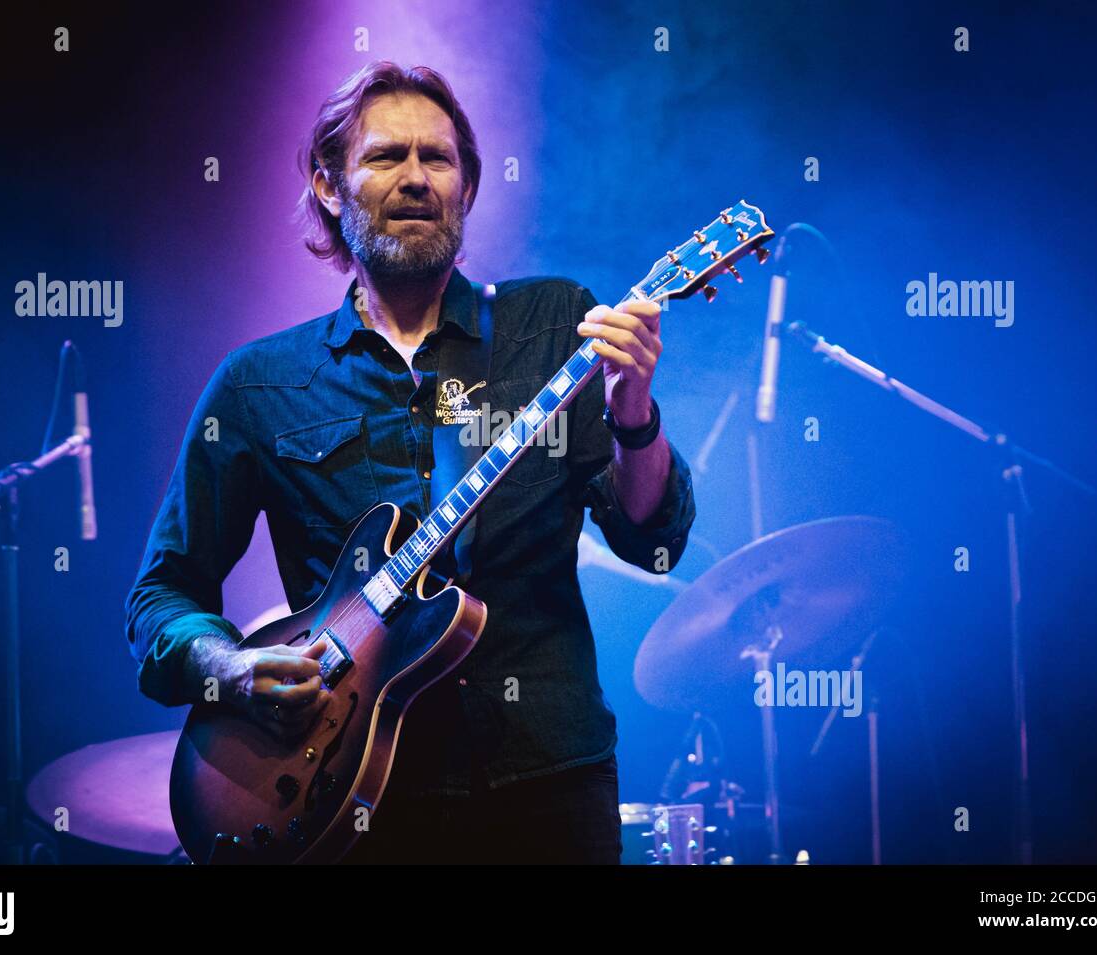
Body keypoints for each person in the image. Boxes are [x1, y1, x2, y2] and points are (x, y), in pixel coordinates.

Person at [125, 61, 695, 864]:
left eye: (439, 159)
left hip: (545, 792)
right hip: (343, 798)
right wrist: (234, 668)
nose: (417, 179)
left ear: (467, 188)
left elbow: (653, 542)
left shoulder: (554, 324)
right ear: (329, 185)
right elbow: (163, 592)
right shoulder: (260, 383)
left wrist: (633, 413)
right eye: (387, 157)